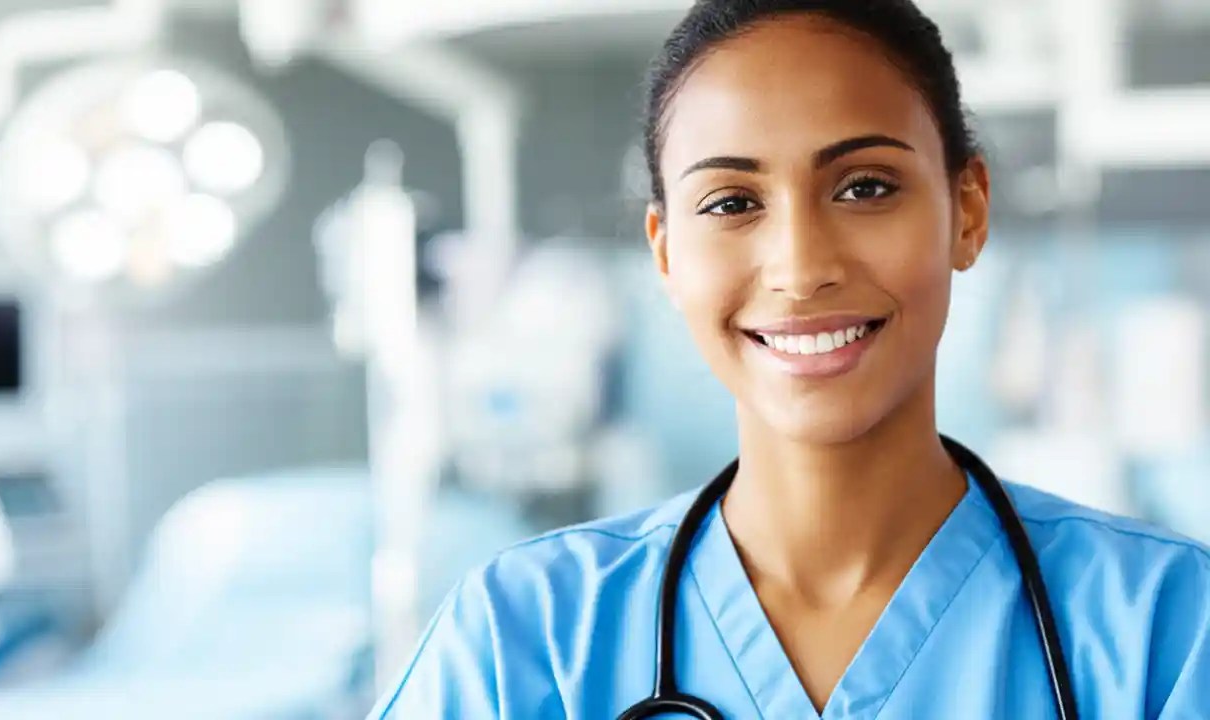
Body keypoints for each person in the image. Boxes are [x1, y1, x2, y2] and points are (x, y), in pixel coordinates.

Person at [367, 1, 1210, 717]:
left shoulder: (1165, 635)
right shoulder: (529, 642)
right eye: (732, 202)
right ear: (666, 254)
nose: (802, 267)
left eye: (865, 187)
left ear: (968, 209)